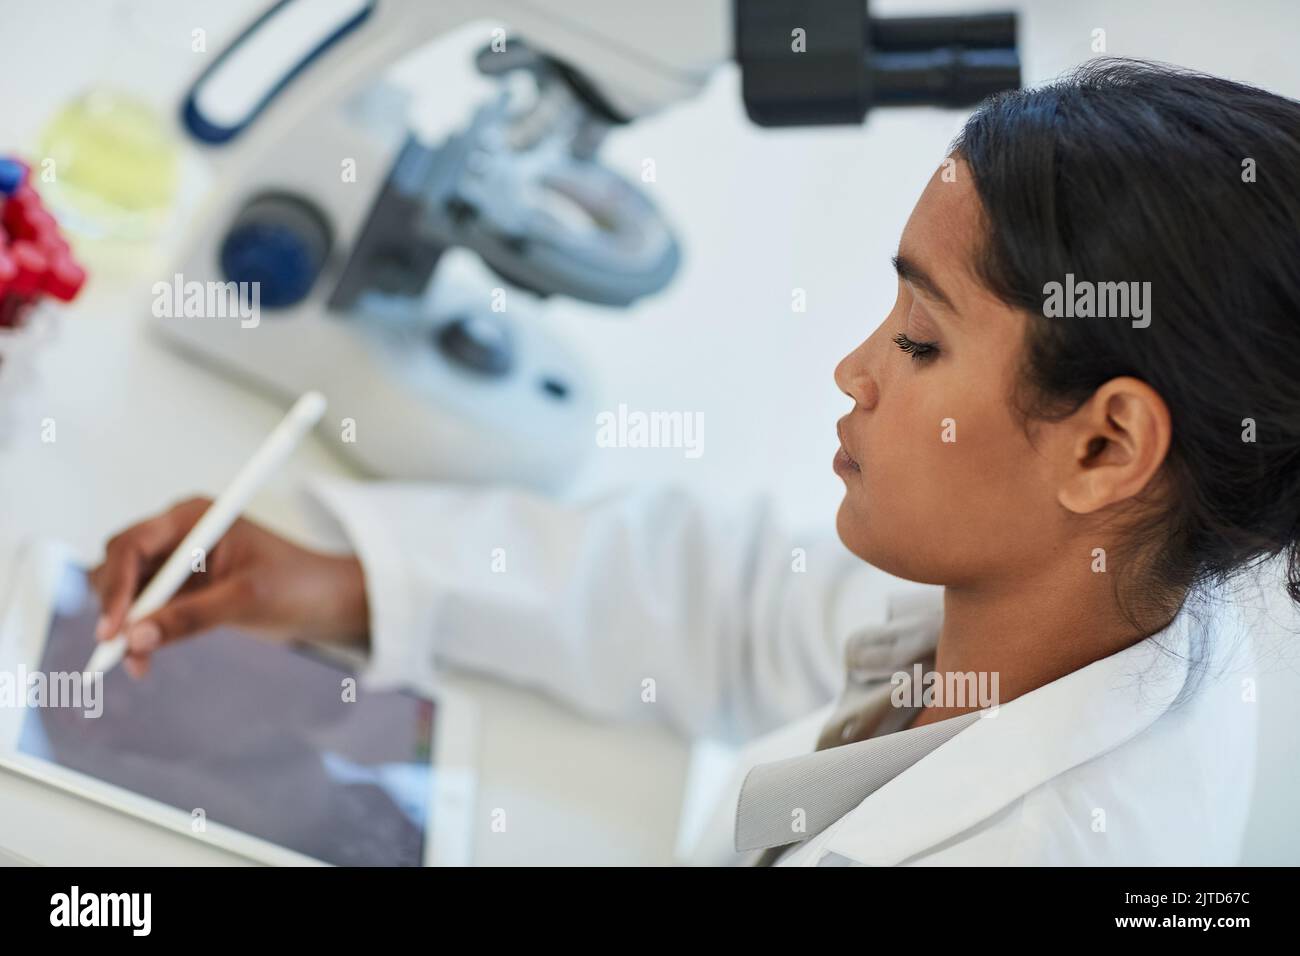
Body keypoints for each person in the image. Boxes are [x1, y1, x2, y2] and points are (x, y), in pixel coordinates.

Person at [88, 60, 1299, 865]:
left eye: (920, 341)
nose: (853, 370)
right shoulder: (1091, 587)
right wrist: (347, 578)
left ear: (1102, 444)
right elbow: (734, 603)